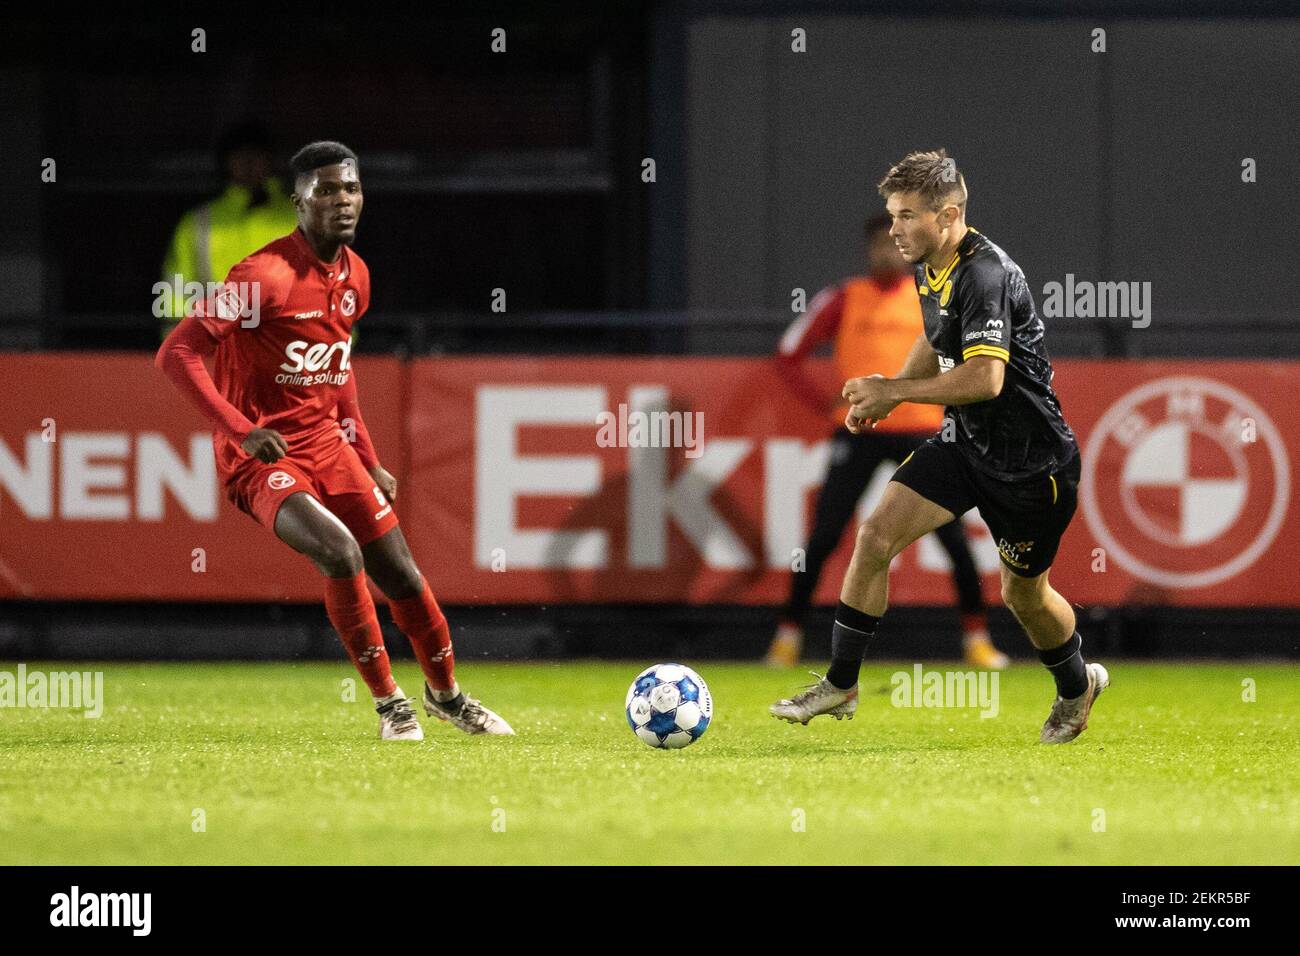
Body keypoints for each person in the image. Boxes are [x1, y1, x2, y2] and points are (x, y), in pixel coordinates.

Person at [156, 140, 511, 741]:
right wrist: (243, 430)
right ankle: (390, 706)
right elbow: (178, 351)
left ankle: (447, 697)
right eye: (326, 191)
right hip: (261, 456)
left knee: (401, 574)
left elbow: (336, 371)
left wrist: (368, 459)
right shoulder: (262, 277)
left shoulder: (356, 277)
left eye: (351, 188)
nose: (342, 201)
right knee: (340, 553)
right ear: (298, 201)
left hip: (329, 445)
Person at [771, 149, 1107, 744]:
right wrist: (888, 397)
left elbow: (987, 378)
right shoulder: (933, 264)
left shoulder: (984, 274)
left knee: (1024, 596)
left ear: (948, 214)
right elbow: (936, 337)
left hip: (1031, 464)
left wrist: (894, 390)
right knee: (874, 537)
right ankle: (841, 684)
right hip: (964, 442)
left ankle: (1078, 685)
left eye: (907, 216)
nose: (895, 229)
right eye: (893, 215)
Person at [766, 212, 1006, 671]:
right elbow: (789, 352)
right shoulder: (843, 298)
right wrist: (828, 405)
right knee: (822, 537)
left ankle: (977, 640)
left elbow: (965, 357)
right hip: (859, 429)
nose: (887, 252)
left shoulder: (930, 298)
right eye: (879, 245)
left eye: (894, 245)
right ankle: (787, 637)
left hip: (921, 429)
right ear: (868, 250)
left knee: (954, 538)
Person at [158, 120, 299, 341]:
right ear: (226, 162)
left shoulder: (300, 216)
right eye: (240, 156)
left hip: (291, 352)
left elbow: (335, 285)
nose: (249, 163)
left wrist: (337, 346)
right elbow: (176, 290)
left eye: (257, 155)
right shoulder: (198, 222)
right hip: (218, 349)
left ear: (270, 160)